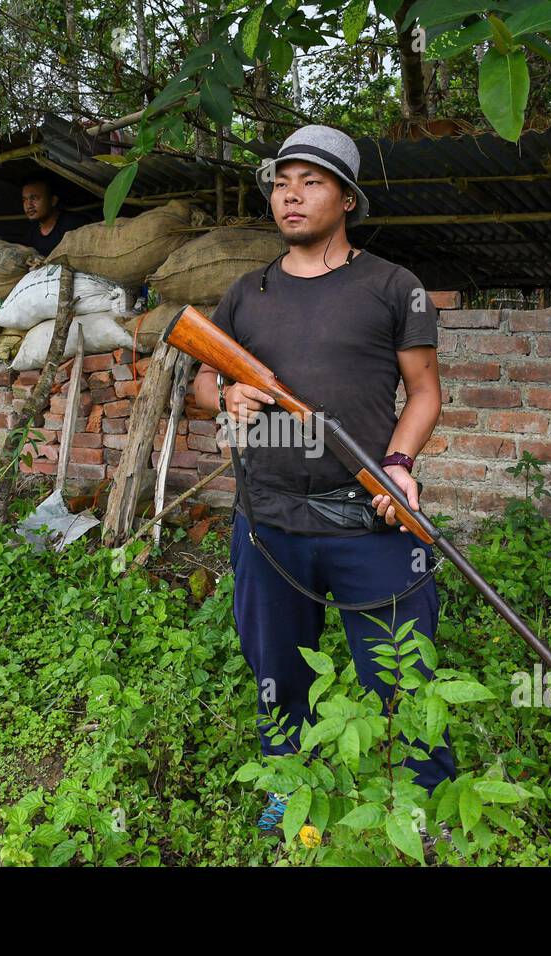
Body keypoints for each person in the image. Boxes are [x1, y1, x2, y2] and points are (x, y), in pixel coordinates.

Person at [191, 125, 456, 840]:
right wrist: (228, 398)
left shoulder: (394, 286)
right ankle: (289, 789)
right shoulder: (248, 293)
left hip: (367, 515)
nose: (291, 196)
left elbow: (425, 393)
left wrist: (398, 466)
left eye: (310, 182)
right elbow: (204, 382)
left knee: (400, 671)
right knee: (278, 669)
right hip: (269, 518)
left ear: (346, 199)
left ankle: (422, 804)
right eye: (282, 182)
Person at [20, 174, 89, 256]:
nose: (28, 205)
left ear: (53, 201)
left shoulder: (73, 226)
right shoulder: (31, 232)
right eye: (25, 200)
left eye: (34, 198)